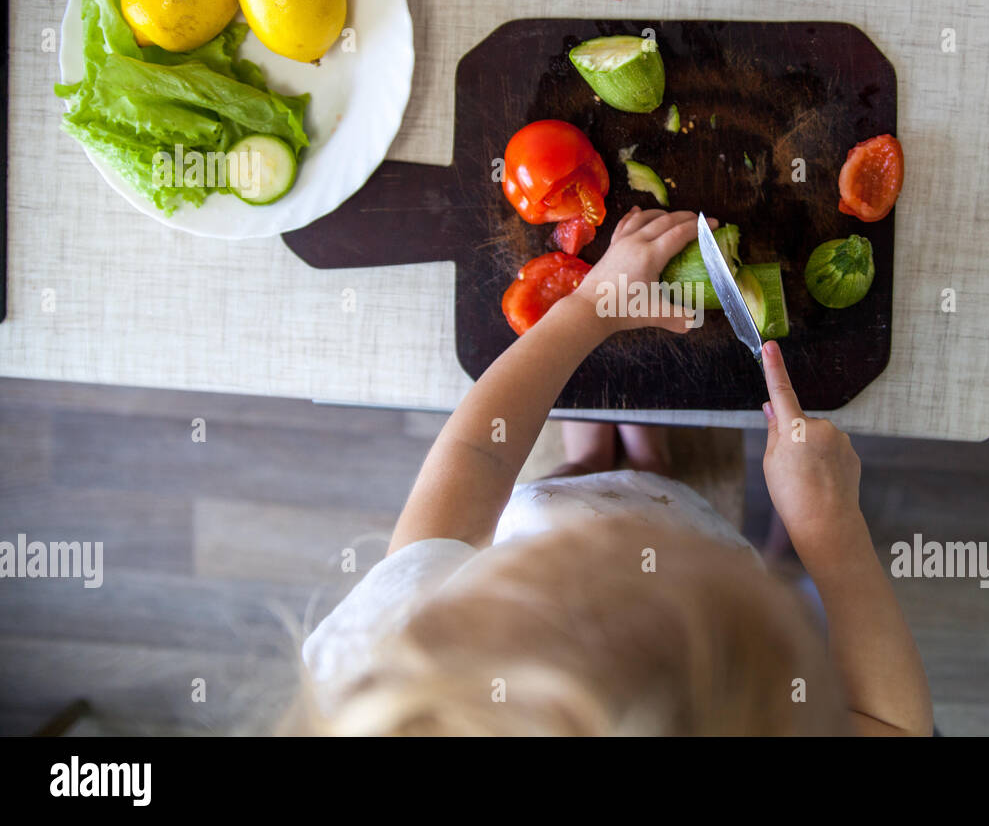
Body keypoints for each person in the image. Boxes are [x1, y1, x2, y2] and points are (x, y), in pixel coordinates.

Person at [290, 207, 932, 736]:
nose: (624, 544)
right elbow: (891, 723)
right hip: (708, 540)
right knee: (703, 525)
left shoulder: (388, 666)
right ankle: (703, 508)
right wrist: (830, 530)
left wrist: (590, 307)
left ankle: (601, 461)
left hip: (547, 509)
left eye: (566, 561)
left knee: (563, 492)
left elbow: (478, 456)